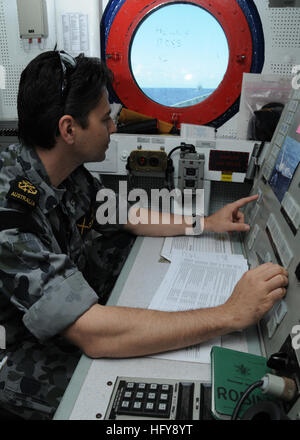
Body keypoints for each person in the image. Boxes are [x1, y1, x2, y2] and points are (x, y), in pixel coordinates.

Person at [0, 51, 288, 420]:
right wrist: (229, 314)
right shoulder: (11, 215)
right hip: (24, 352)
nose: (114, 128)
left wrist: (205, 223)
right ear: (69, 130)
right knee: (142, 402)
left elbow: (127, 214)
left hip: (73, 319)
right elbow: (93, 334)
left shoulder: (65, 169)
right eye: (105, 120)